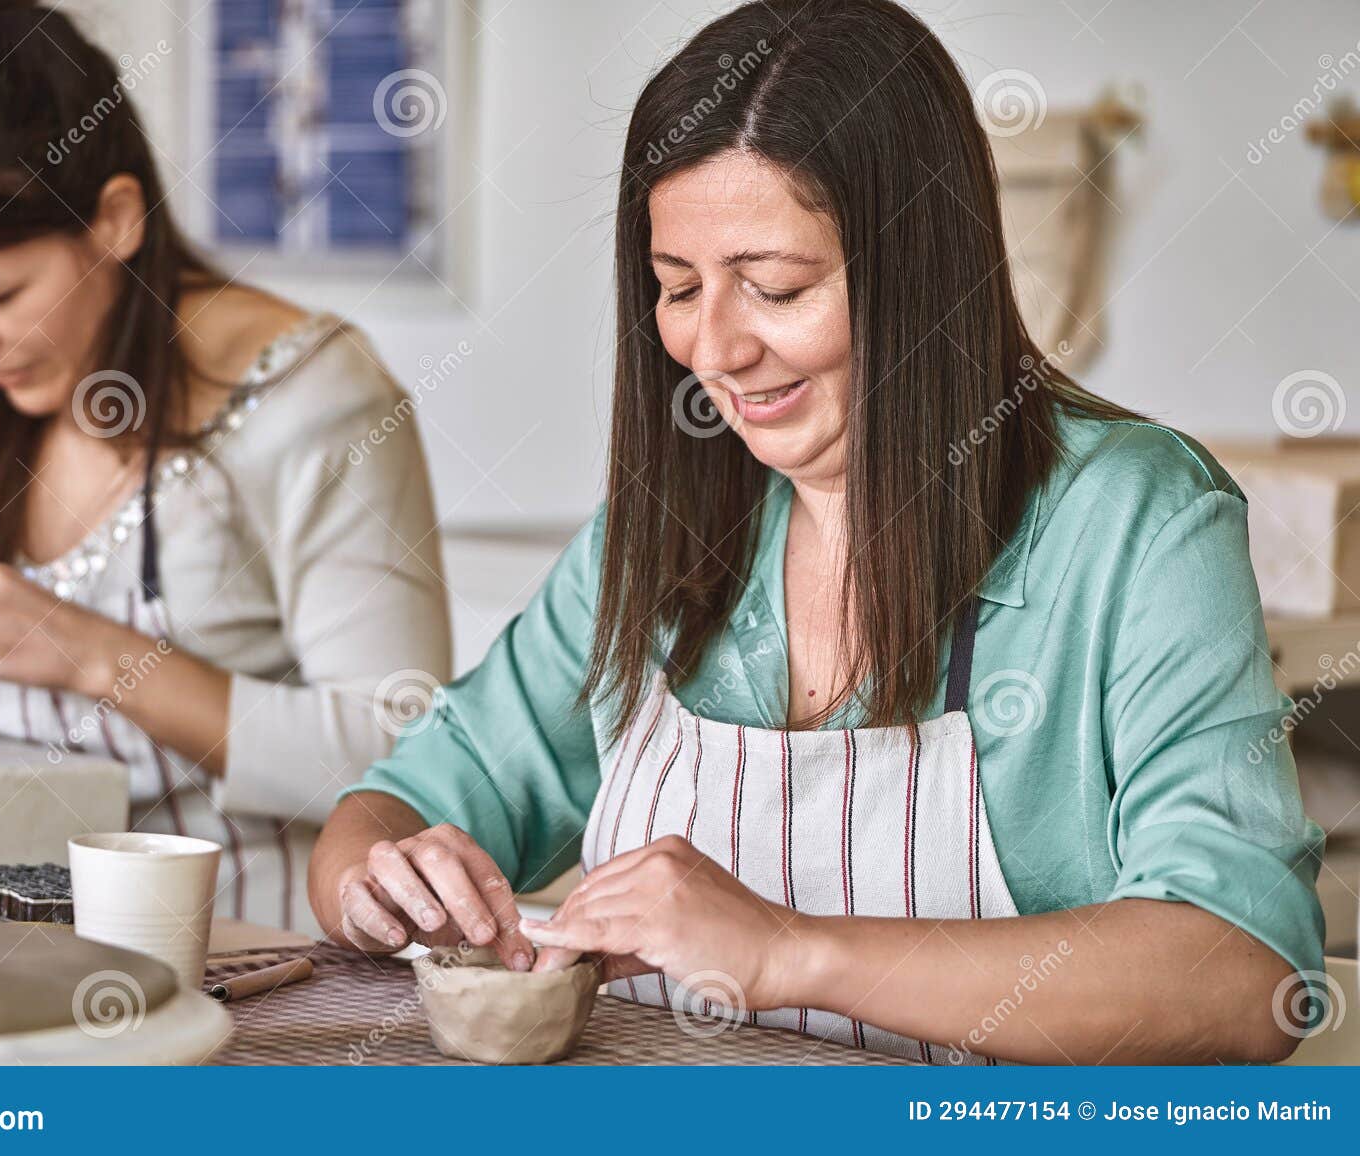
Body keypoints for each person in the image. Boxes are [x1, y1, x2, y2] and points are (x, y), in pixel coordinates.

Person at [309, 0, 1326, 1063]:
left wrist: (785, 949)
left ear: (920, 267)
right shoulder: (659, 534)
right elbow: (386, 807)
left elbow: (1240, 973)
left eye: (775, 288)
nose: (714, 349)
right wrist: (381, 881)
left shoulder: (1131, 521)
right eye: (676, 289)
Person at [0, 0, 450, 932]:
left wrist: (97, 656)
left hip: (241, 970)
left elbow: (408, 750)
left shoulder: (313, 398)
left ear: (115, 220)